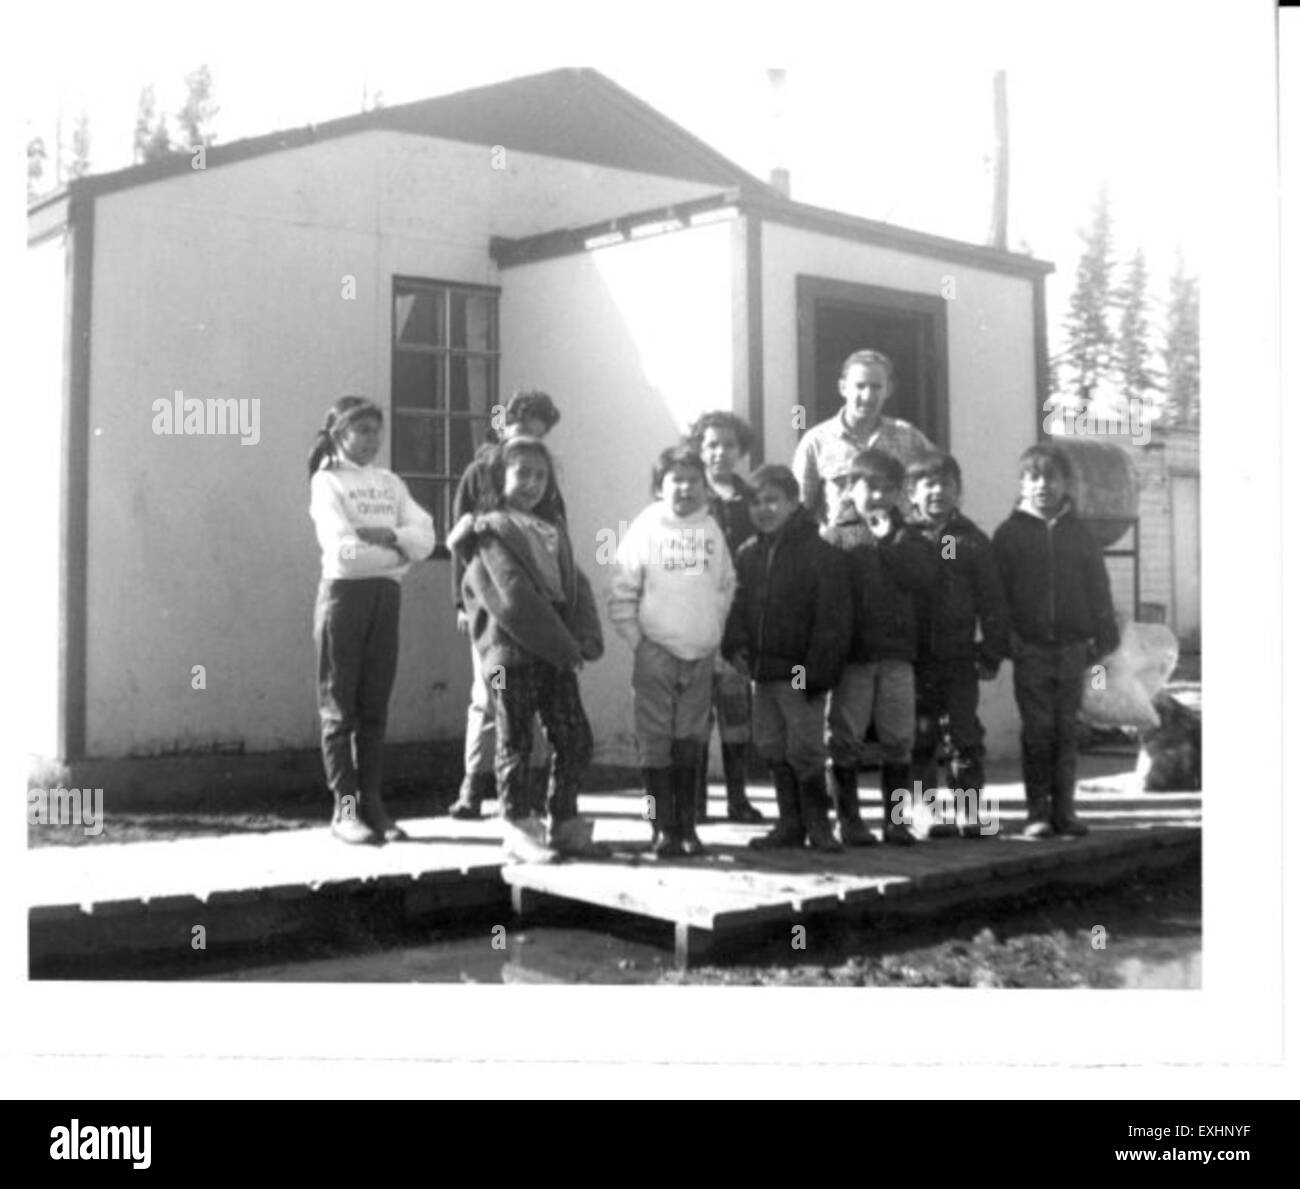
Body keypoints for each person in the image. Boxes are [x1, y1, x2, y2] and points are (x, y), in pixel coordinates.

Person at [454, 436, 604, 863]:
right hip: (508, 655)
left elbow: (577, 584)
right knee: (515, 738)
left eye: (541, 475)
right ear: (500, 476)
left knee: (575, 737)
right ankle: (519, 827)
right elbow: (514, 596)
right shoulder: (491, 530)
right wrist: (564, 646)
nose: (532, 483)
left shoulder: (551, 529)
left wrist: (586, 635)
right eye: (522, 472)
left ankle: (565, 820)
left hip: (554, 649)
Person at [308, 396, 437, 845]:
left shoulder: (389, 483)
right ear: (339, 434)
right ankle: (345, 812)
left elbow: (426, 538)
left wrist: (390, 536)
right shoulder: (327, 482)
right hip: (344, 600)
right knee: (339, 707)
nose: (371, 439)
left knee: (374, 707)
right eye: (361, 430)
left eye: (376, 431)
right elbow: (343, 553)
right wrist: (399, 554)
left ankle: (374, 805)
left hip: (386, 599)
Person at [608, 445, 736, 859]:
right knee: (654, 743)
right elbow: (622, 591)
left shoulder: (711, 530)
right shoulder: (645, 527)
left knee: (690, 741)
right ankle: (661, 828)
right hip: (656, 656)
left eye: (694, 480)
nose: (685, 488)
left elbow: (725, 586)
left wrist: (712, 635)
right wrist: (639, 643)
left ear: (705, 487)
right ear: (659, 486)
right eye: (676, 480)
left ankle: (687, 827)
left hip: (700, 657)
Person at [447, 390, 565, 820]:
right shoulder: (478, 474)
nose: (526, 440)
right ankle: (473, 786)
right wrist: (461, 604)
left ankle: (524, 789)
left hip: (532, 610)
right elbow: (459, 542)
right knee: (488, 691)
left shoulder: (543, 480)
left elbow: (558, 542)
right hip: (487, 608)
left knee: (529, 698)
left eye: (537, 434)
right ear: (504, 426)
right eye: (520, 430)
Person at [992, 443, 1120, 838]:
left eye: (1051, 478)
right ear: (1021, 484)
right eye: (1033, 478)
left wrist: (1105, 637)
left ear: (1066, 484)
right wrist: (1006, 637)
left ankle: (1065, 810)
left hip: (1074, 648)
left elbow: (1098, 587)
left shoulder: (1081, 534)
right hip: (1030, 649)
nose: (1043, 485)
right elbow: (997, 595)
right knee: (1037, 730)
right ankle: (1038, 813)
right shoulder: (1009, 534)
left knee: (1067, 730)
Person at [723, 464, 851, 852]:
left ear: (794, 503)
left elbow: (832, 617)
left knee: (805, 746)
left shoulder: (819, 553)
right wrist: (736, 646)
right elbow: (737, 606)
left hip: (799, 669)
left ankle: (819, 825)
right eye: (756, 502)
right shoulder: (748, 554)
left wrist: (815, 671)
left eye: (772, 500)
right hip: (763, 670)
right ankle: (790, 824)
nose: (764, 509)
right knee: (771, 743)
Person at [820, 449, 938, 845]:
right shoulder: (836, 536)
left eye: (887, 489)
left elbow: (923, 578)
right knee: (845, 738)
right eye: (869, 486)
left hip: (898, 654)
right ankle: (849, 821)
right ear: (850, 488)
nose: (877, 496)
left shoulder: (910, 535)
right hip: (854, 656)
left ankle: (895, 822)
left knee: (899, 738)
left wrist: (890, 540)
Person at [906, 452, 1010, 838]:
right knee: (918, 737)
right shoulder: (902, 538)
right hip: (913, 661)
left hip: (959, 660)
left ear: (959, 492)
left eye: (946, 484)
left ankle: (969, 810)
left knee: (963, 737)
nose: (937, 492)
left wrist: (991, 651)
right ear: (912, 493)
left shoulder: (972, 541)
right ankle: (922, 811)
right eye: (928, 485)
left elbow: (992, 601)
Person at [684, 411, 763, 824]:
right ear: (699, 449)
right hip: (695, 619)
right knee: (696, 715)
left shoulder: (752, 499)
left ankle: (738, 798)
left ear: (741, 450)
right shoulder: (688, 494)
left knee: (736, 712)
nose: (720, 452)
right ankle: (695, 801)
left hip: (738, 620)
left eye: (729, 445)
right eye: (711, 444)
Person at [792, 349, 934, 528]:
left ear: (888, 389)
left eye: (876, 387)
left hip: (899, 542)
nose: (868, 396)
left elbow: (938, 485)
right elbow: (799, 508)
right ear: (843, 388)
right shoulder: (816, 441)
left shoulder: (909, 437)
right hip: (839, 542)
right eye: (860, 386)